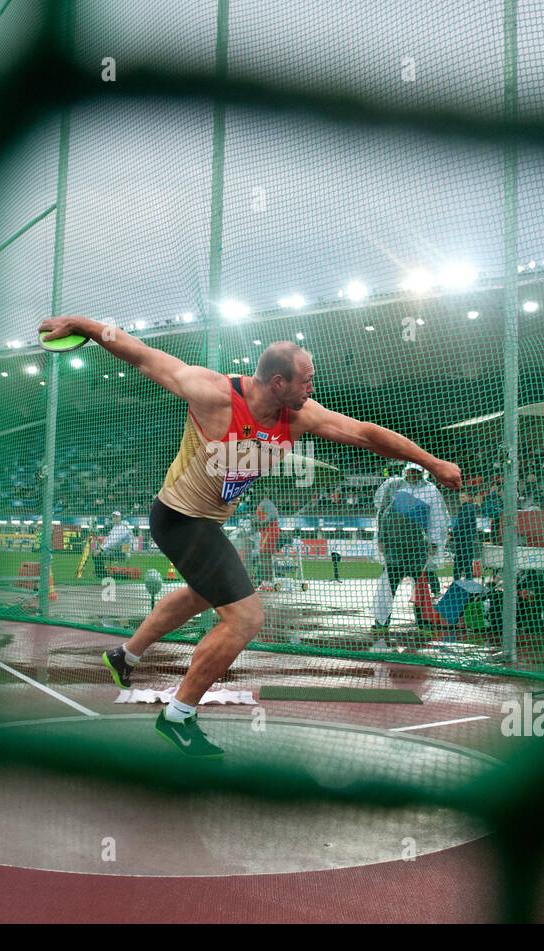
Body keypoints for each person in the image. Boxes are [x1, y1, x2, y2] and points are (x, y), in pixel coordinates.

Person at [38, 314, 461, 757]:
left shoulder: (298, 417)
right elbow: (143, 356)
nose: (311, 390)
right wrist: (82, 325)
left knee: (203, 594)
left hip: (208, 521)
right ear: (278, 382)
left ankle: (126, 656)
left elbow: (367, 435)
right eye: (305, 382)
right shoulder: (214, 394)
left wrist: (432, 464)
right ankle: (178, 715)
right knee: (246, 618)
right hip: (179, 518)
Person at [371, 462, 451, 635]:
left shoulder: (431, 491)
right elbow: (383, 513)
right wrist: (382, 538)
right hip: (394, 546)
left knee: (421, 588)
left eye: (416, 471)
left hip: (417, 548)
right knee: (387, 587)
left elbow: (437, 519)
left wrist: (434, 543)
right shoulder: (394, 486)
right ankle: (381, 622)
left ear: (422, 472)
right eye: (410, 471)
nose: (413, 474)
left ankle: (423, 623)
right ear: (405, 471)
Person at [93, 510, 134, 578]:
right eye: (113, 517)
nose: (114, 518)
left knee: (98, 554)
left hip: (121, 552)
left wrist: (102, 549)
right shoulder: (115, 528)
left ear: (120, 518)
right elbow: (108, 540)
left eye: (116, 517)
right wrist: (101, 547)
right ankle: (101, 574)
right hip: (115, 550)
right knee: (96, 553)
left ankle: (101, 575)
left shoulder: (122, 528)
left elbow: (114, 542)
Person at [451, 491, 480, 580]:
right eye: (460, 497)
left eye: (463, 497)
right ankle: (462, 581)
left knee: (463, 562)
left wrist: (452, 533)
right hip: (463, 539)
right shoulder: (464, 508)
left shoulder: (468, 507)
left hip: (465, 540)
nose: (461, 499)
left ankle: (463, 581)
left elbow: (462, 523)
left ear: (468, 497)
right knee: (461, 562)